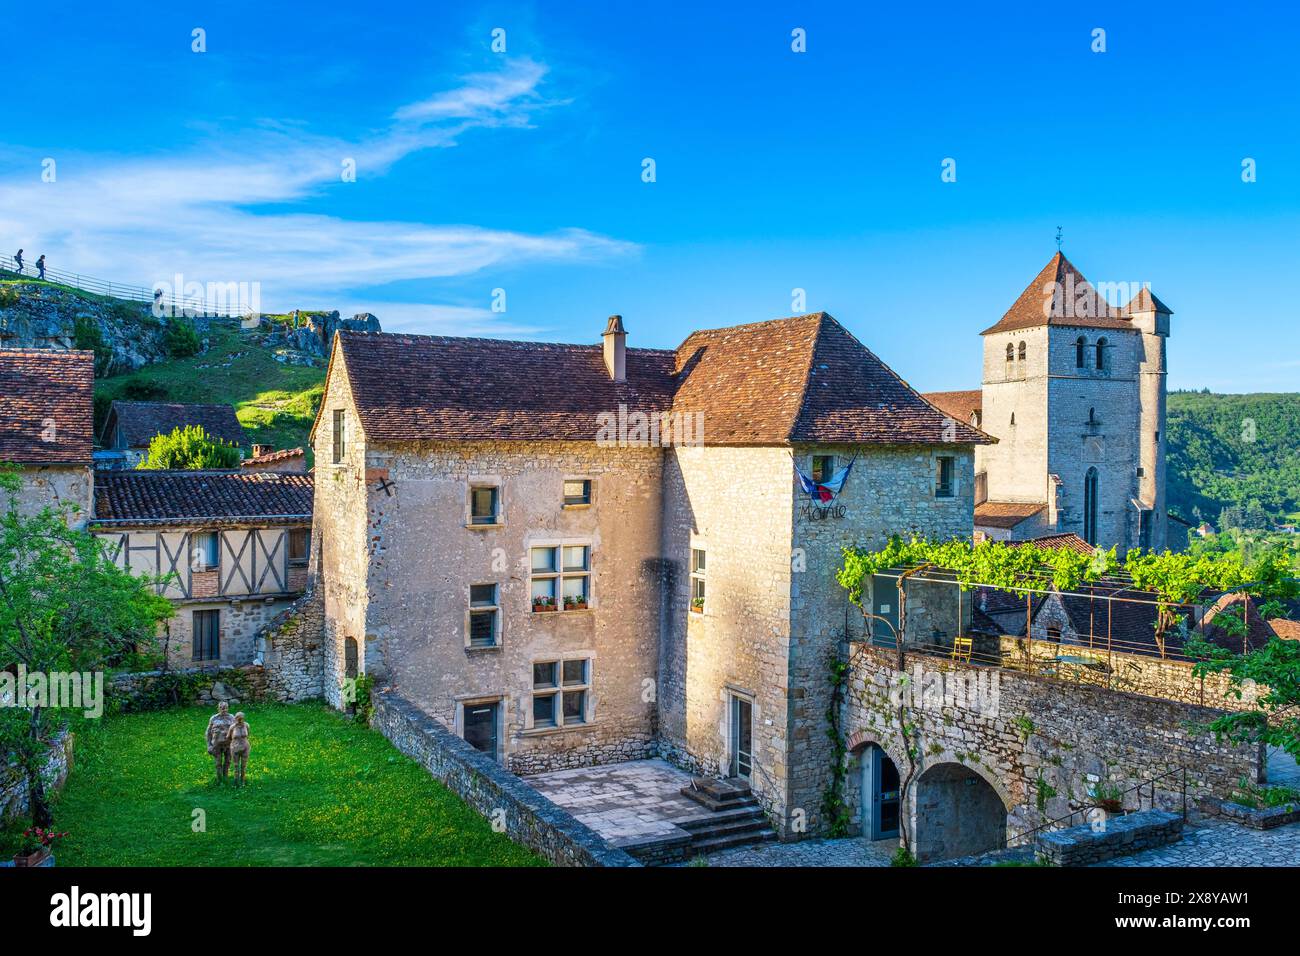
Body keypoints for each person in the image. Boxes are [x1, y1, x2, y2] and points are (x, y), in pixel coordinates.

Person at [206, 701, 236, 784]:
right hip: (217, 744)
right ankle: (219, 779)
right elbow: (208, 732)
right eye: (222, 708)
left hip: (229, 744)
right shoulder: (213, 718)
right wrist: (209, 745)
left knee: (228, 761)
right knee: (218, 762)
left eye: (226, 708)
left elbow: (235, 731)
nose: (224, 710)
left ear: (228, 708)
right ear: (218, 708)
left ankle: (225, 777)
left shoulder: (232, 717)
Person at [227, 712, 251, 787]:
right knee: (236, 765)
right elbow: (228, 737)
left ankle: (243, 781)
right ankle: (236, 781)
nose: (240, 720)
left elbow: (248, 735)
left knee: (244, 765)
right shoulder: (232, 727)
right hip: (235, 748)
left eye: (241, 718)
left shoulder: (246, 725)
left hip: (245, 747)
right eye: (238, 718)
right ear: (235, 718)